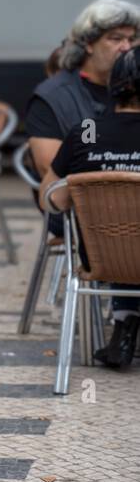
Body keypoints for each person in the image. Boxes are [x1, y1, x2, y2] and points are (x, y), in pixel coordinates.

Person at [40, 45, 140, 368]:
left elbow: (51, 198)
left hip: (100, 258)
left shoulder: (85, 132)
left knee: (122, 229)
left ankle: (124, 327)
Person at [24, 0, 139, 233]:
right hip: (75, 214)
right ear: (88, 43)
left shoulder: (135, 88)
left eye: (132, 39)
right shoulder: (53, 95)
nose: (126, 47)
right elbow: (52, 176)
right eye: (116, 38)